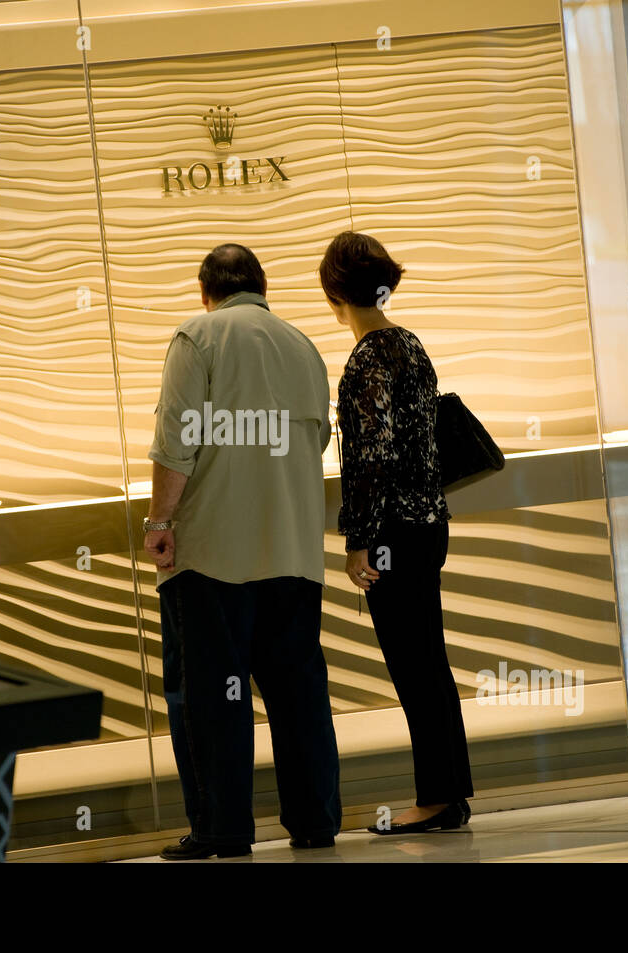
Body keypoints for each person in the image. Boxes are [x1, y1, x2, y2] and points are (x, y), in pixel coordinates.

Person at [144, 243, 342, 860]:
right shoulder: (302, 344)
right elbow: (318, 440)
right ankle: (314, 823)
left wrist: (160, 520)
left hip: (212, 559)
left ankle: (222, 830)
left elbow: (175, 444)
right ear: (262, 286)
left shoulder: (196, 337)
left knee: (213, 697)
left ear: (206, 291)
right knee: (298, 694)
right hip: (292, 554)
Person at [321, 230, 474, 834]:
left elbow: (371, 457)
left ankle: (436, 798)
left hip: (391, 536)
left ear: (334, 293)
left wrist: (357, 538)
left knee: (413, 668)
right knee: (429, 664)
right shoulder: (410, 344)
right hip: (429, 524)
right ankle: (449, 793)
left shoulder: (366, 360)